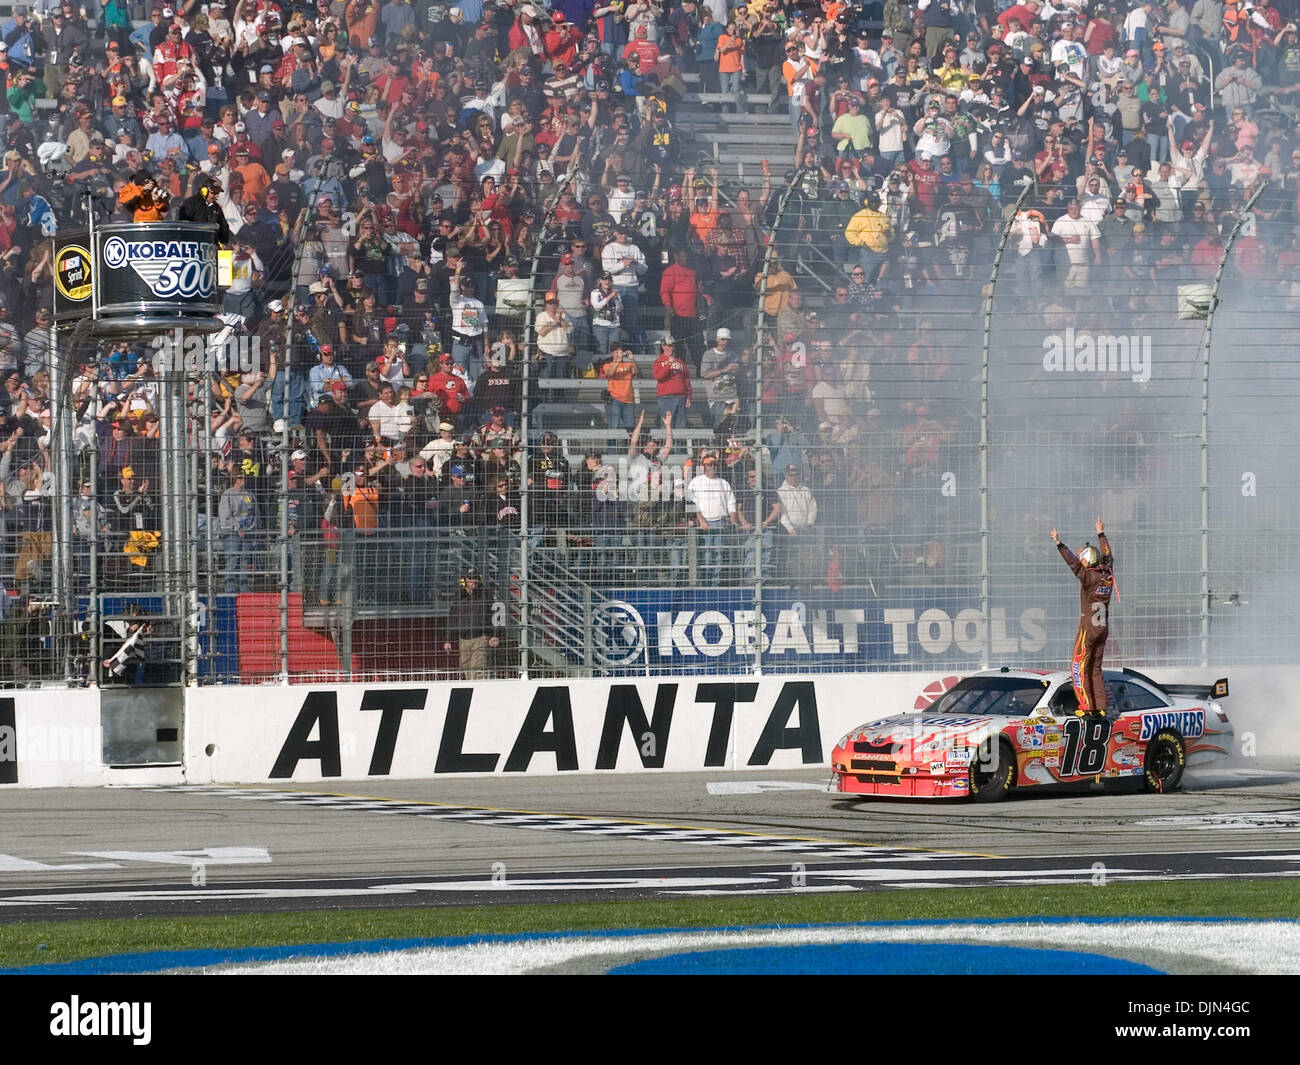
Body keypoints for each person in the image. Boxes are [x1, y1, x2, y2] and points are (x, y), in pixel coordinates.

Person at [1050, 516, 1115, 717]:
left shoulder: (1089, 577)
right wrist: (1101, 533)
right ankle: (1101, 708)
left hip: (1088, 629)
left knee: (1079, 667)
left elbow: (1074, 565)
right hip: (1103, 629)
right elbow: (1108, 556)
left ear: (1086, 559)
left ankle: (1086, 707)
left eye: (1081, 557)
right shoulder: (1108, 575)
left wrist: (1059, 543)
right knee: (1095, 668)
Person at [443, 567, 499, 680]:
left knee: (477, 671)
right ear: (463, 581)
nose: (474, 581)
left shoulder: (485, 594)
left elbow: (494, 616)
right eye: (471, 579)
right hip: (463, 640)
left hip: (480, 639)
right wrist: (448, 639)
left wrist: (495, 635)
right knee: (467, 671)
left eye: (476, 578)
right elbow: (453, 617)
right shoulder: (458, 596)